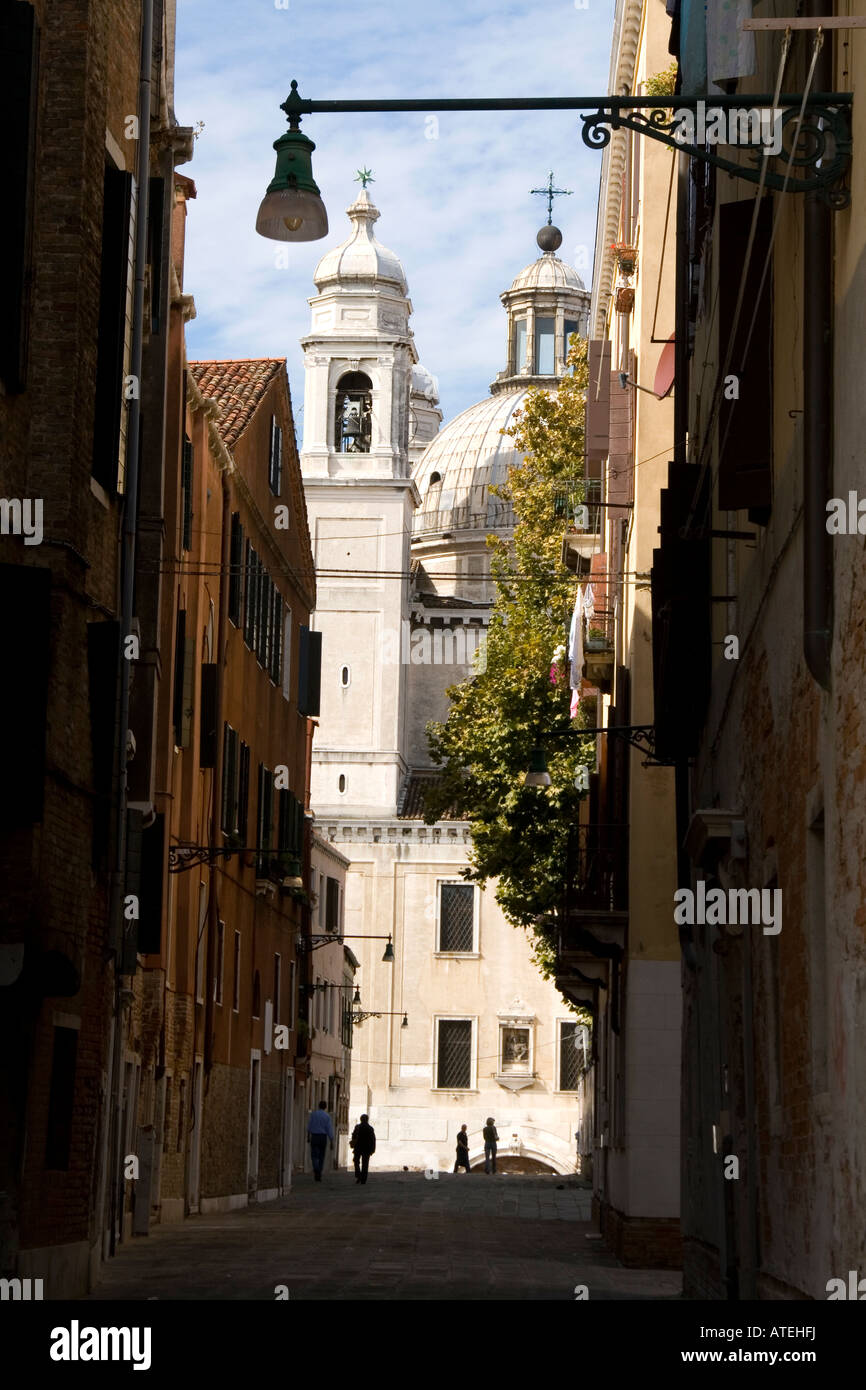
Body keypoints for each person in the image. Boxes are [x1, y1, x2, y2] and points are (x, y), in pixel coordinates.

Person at [306, 1100, 334, 1182]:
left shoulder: (313, 1114)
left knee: (314, 1155)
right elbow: (329, 1129)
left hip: (314, 1136)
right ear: (325, 1107)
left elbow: (309, 1125)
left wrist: (308, 1136)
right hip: (322, 1137)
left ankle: (316, 1168)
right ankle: (319, 1171)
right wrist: (331, 1140)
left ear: (318, 1106)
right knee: (321, 1156)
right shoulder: (327, 1116)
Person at [350, 1113, 376, 1184]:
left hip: (358, 1147)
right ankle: (363, 1179)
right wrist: (373, 1149)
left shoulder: (357, 1127)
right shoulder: (370, 1128)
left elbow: (353, 1136)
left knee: (356, 1162)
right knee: (365, 1163)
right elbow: (373, 1140)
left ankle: (358, 1175)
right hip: (367, 1149)